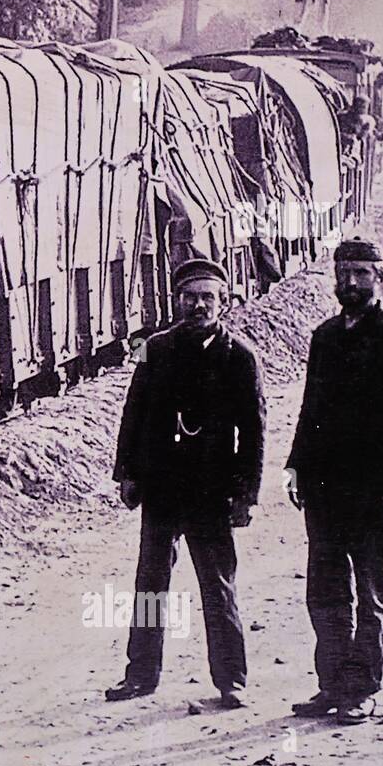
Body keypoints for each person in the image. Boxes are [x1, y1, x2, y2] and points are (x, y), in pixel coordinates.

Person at [106, 258, 265, 708]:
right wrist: (128, 474)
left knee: (217, 586)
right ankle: (140, 675)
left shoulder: (240, 358)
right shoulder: (154, 349)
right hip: (161, 487)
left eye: (207, 298)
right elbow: (132, 414)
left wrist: (245, 494)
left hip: (210, 491)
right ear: (177, 301)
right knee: (150, 583)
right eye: (190, 297)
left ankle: (231, 680)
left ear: (224, 304)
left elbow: (254, 432)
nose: (198, 305)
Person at [285, 238, 383, 725]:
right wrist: (297, 465)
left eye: (361, 273)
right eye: (343, 272)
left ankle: (362, 688)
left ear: (380, 277)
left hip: (372, 488)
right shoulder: (324, 336)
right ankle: (331, 684)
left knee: (370, 592)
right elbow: (311, 407)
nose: (350, 282)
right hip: (324, 487)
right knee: (325, 591)